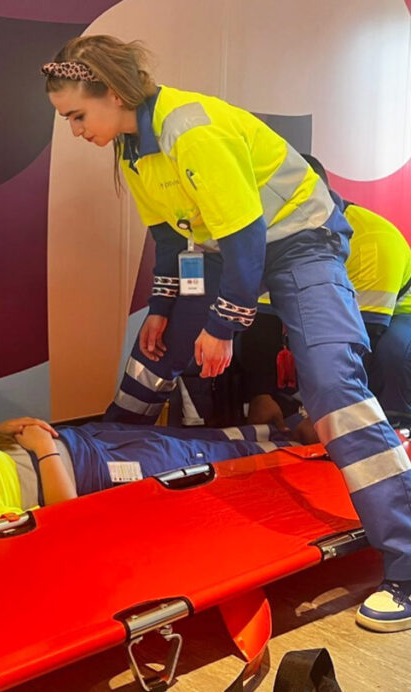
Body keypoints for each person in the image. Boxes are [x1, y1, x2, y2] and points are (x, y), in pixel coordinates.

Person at [41, 35, 411, 632]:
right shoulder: (135, 148)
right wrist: (164, 309)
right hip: (220, 255)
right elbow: (170, 239)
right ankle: (101, 461)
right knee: (155, 348)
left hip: (300, 245)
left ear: (112, 92)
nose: (77, 131)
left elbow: (248, 242)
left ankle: (408, 564)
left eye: (78, 115)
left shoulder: (192, 128)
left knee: (330, 383)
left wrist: (222, 326)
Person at [0, 417, 296, 541]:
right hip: (89, 472)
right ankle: (301, 455)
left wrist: (7, 432)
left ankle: (282, 431)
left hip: (77, 442)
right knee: (194, 458)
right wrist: (42, 451)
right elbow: (65, 525)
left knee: (180, 439)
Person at [242, 154, 411, 440]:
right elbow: (263, 323)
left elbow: (360, 341)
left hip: (396, 316)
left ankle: (395, 425)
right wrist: (261, 394)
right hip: (334, 311)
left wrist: (331, 416)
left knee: (394, 351)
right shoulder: (274, 235)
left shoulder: (373, 240)